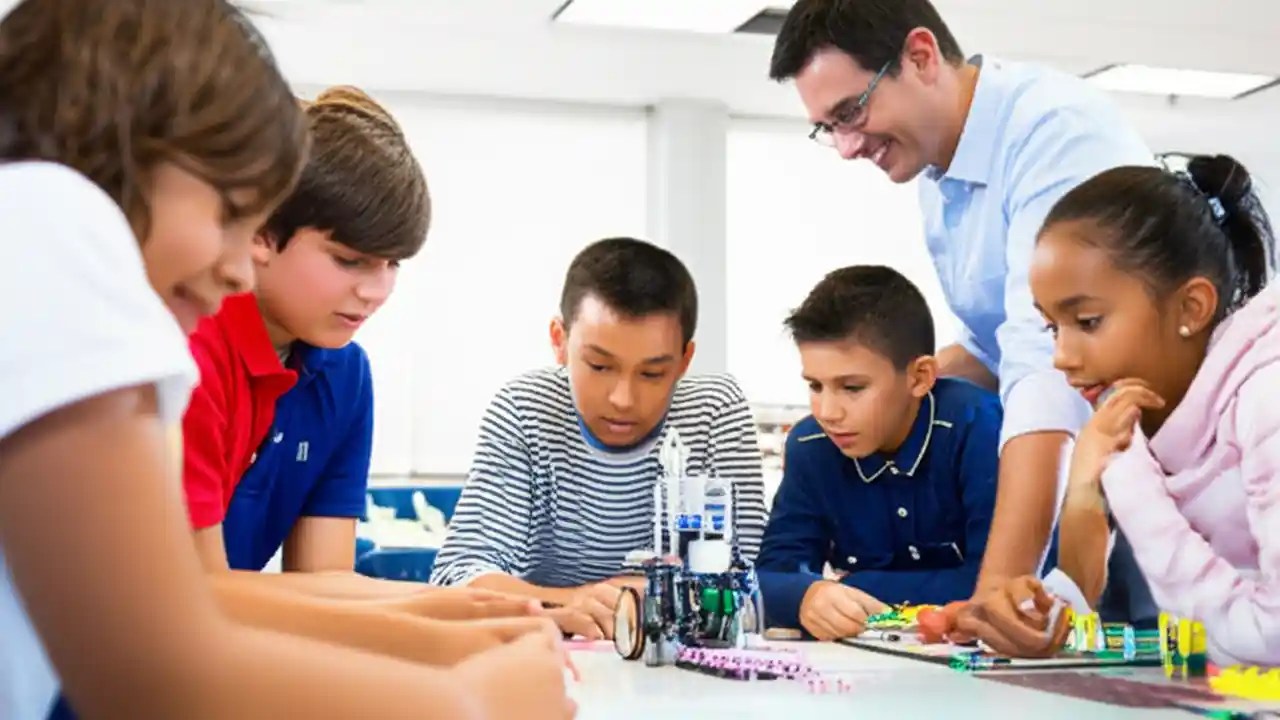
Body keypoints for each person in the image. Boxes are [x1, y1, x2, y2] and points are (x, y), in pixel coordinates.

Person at [0, 1, 573, 718]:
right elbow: (155, 667)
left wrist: (445, 624)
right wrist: (463, 702)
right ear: (136, 150)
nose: (242, 268)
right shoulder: (49, 215)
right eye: (230, 213)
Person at [767, 0, 1156, 647]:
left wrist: (990, 597)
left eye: (851, 112)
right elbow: (990, 342)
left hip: (1157, 467)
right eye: (826, 127)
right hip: (1095, 471)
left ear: (920, 56)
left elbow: (1044, 371)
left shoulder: (1053, 132)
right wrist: (879, 393)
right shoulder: (935, 172)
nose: (845, 146)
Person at [180, 85, 582, 658]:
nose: (377, 291)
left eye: (392, 264)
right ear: (263, 233)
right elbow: (198, 598)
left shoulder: (344, 374)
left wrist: (496, 609)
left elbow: (323, 585)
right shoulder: (192, 348)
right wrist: (435, 627)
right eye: (351, 260)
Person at [972, 154, 1279, 665]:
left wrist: (1128, 475)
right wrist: (1036, 615)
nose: (1062, 358)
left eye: (1087, 321)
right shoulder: (1130, 414)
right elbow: (1078, 599)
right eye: (1052, 327)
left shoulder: (1267, 397)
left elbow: (1268, 641)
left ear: (1191, 308)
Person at [431, 237, 769, 637]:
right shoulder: (525, 410)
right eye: (599, 365)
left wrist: (666, 597)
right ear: (559, 341)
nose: (622, 400)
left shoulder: (715, 412)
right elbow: (458, 575)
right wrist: (570, 601)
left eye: (652, 374)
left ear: (684, 360)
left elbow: (755, 580)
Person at [756, 266, 1001, 640]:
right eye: (815, 386)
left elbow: (1002, 582)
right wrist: (807, 594)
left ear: (919, 377)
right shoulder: (811, 444)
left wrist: (862, 584)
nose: (827, 412)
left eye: (852, 387)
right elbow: (771, 575)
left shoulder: (979, 428)